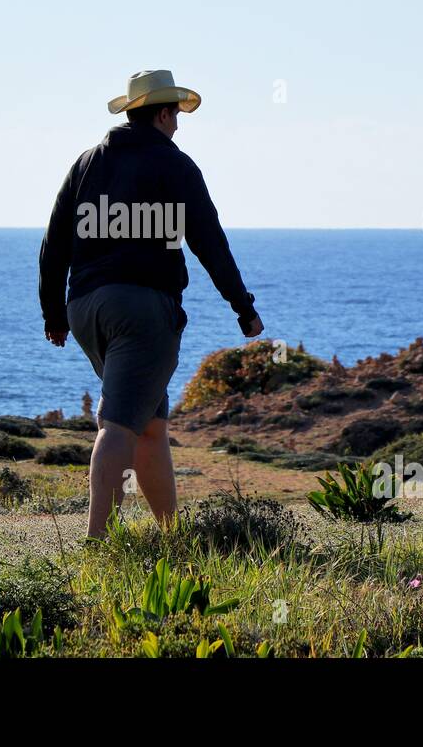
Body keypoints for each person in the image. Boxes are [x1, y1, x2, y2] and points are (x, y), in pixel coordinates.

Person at [38, 69, 263, 539]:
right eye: (177, 115)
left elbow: (54, 243)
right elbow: (209, 242)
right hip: (142, 312)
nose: (179, 125)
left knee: (149, 425)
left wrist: (54, 313)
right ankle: (98, 545)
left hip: (85, 309)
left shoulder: (85, 163)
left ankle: (171, 536)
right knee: (118, 424)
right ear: (162, 114)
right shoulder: (175, 165)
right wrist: (242, 307)